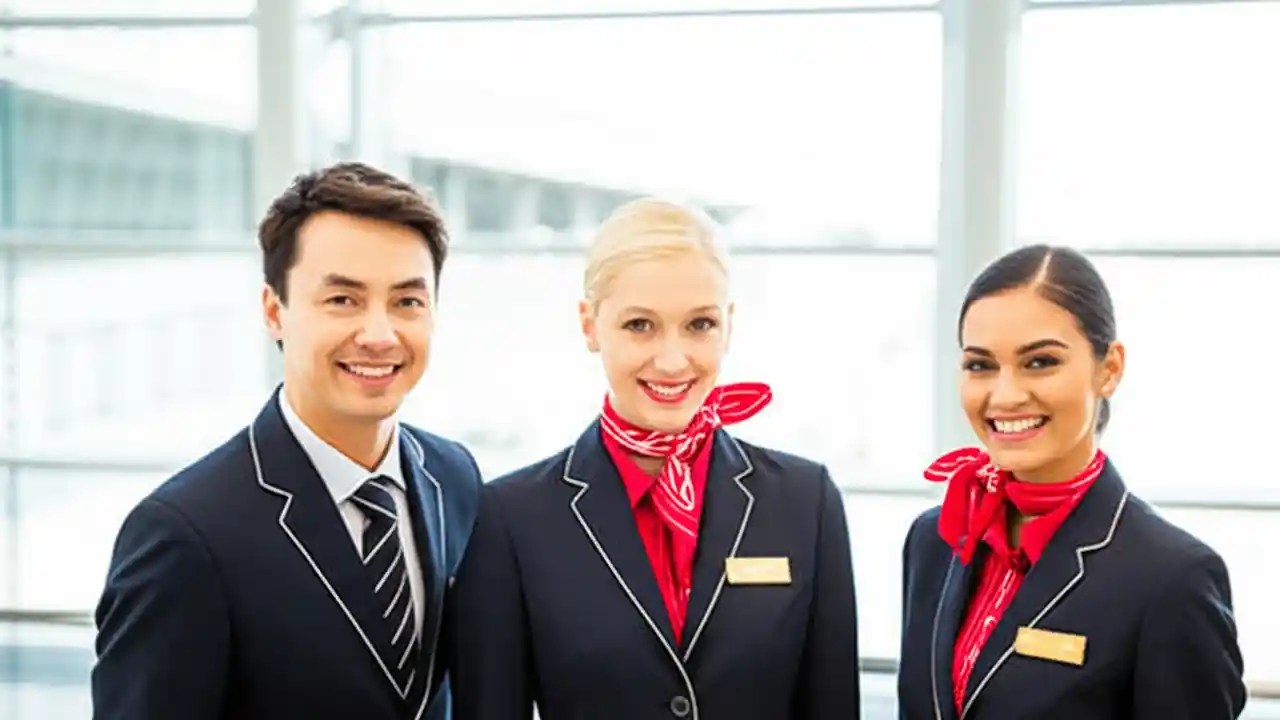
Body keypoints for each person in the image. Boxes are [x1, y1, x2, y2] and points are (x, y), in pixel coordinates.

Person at [92, 162, 483, 720]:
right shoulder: (183, 535)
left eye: (407, 302)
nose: (378, 335)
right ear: (275, 311)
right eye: (343, 300)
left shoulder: (454, 477)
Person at [448, 198, 861, 720]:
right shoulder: (514, 517)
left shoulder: (805, 502)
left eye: (700, 325)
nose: (671, 360)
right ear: (589, 326)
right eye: (640, 325)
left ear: (728, 325)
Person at [897, 244, 1247, 719]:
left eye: (1040, 362)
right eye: (981, 365)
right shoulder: (934, 541)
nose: (1005, 395)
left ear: (1110, 369)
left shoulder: (1171, 578)